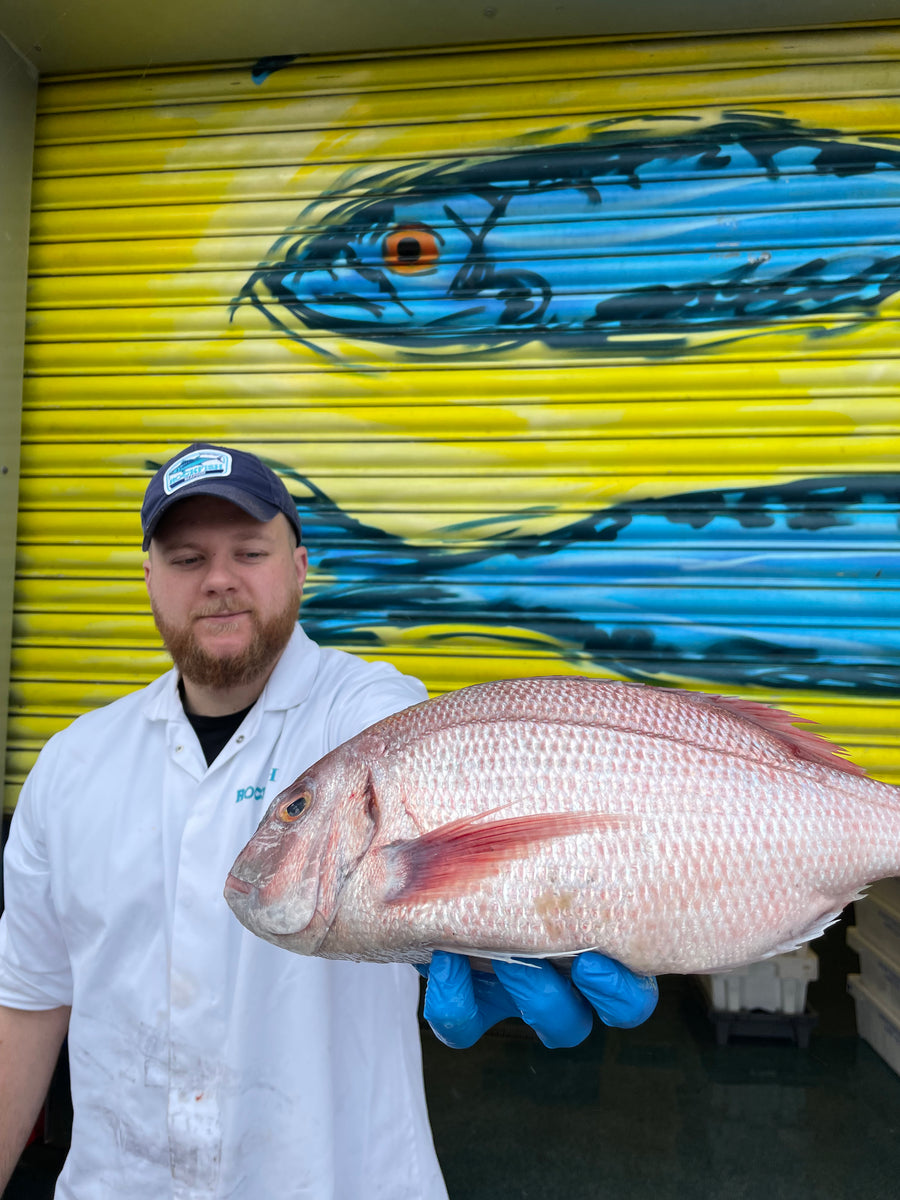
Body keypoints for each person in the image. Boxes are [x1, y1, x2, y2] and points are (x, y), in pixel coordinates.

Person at [0, 443, 657, 1199]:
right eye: (186, 558)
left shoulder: (368, 719)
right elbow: (27, 998)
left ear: (300, 566)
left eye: (250, 550)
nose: (219, 580)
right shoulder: (72, 766)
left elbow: (449, 775)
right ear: (148, 578)